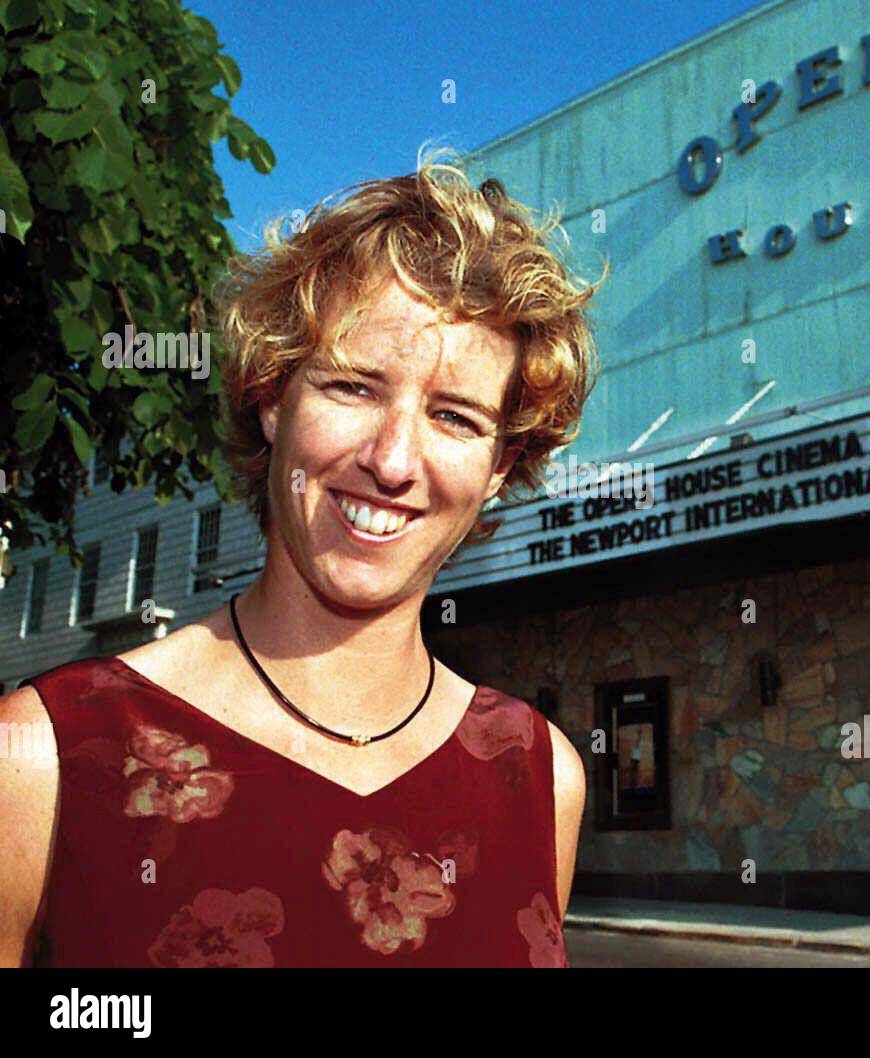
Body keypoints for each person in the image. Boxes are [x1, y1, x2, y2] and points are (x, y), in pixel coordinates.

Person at [0, 147, 606, 967]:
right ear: (272, 396)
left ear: (499, 469)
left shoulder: (541, 778)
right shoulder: (44, 755)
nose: (393, 461)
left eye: (456, 417)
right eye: (353, 387)